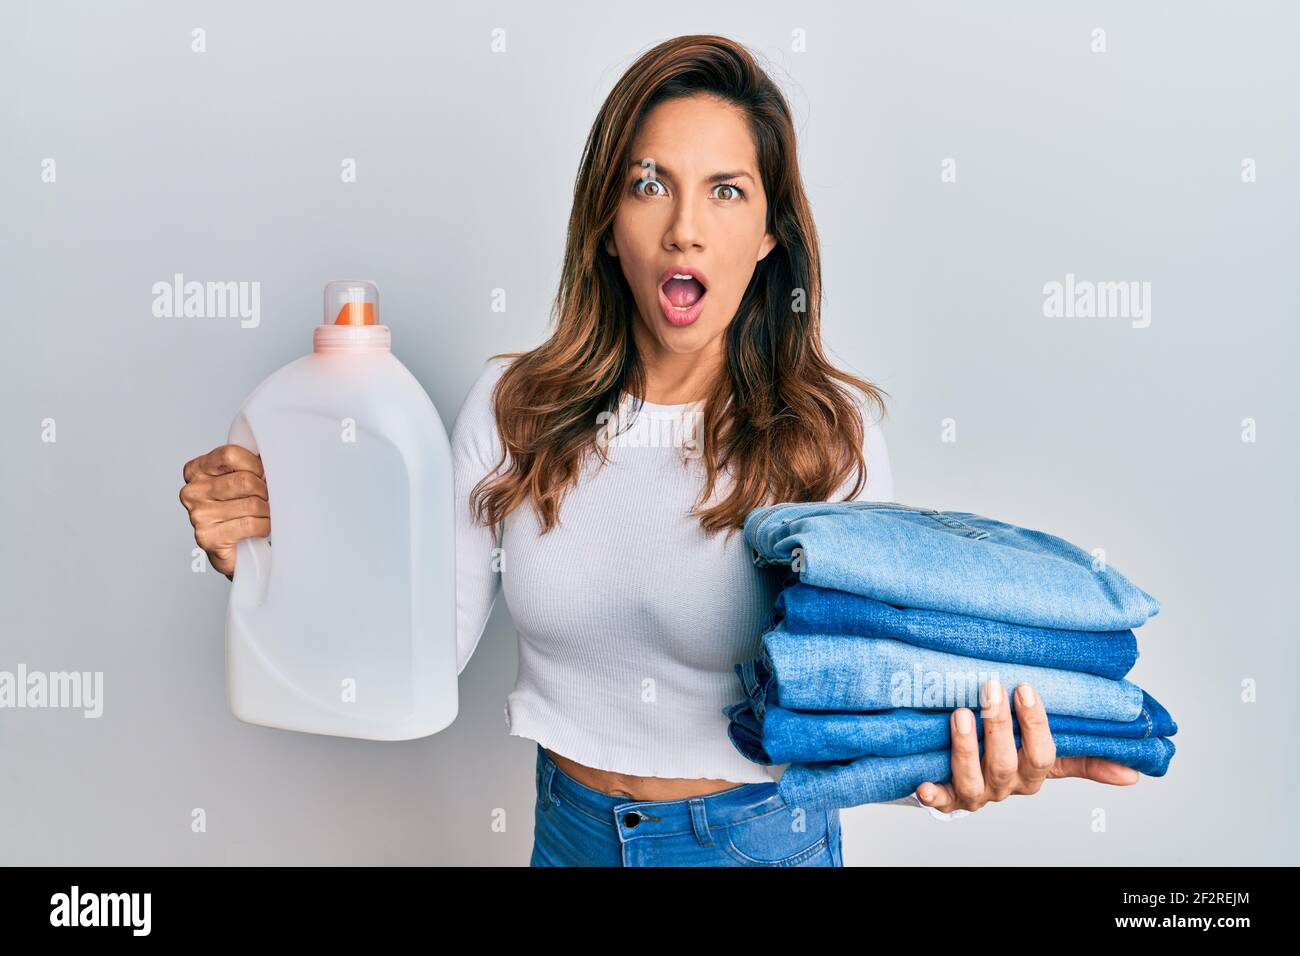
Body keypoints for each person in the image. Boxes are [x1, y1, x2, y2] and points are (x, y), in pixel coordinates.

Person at [179, 35, 1140, 867]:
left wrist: (960, 767)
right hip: (567, 837)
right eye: (651, 185)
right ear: (607, 221)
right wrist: (272, 554)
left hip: (760, 845)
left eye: (727, 191)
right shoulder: (516, 409)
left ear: (769, 236)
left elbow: (856, 712)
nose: (686, 227)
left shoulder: (829, 438)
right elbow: (418, 654)